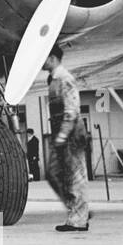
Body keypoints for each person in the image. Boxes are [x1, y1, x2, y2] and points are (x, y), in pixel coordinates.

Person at [44, 44, 90, 231]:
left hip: (70, 134)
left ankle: (78, 219)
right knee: (54, 174)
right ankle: (79, 211)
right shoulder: (53, 79)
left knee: (75, 176)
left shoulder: (65, 79)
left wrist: (63, 135)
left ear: (53, 58)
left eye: (45, 57)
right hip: (61, 132)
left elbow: (71, 110)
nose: (42, 61)